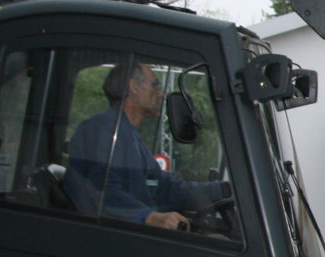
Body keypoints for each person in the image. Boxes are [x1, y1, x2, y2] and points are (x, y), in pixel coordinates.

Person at [65, 61, 225, 230]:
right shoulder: (102, 131)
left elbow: (164, 187)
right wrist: (150, 217)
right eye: (155, 86)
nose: (161, 94)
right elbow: (102, 192)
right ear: (134, 87)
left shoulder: (130, 137)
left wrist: (223, 190)